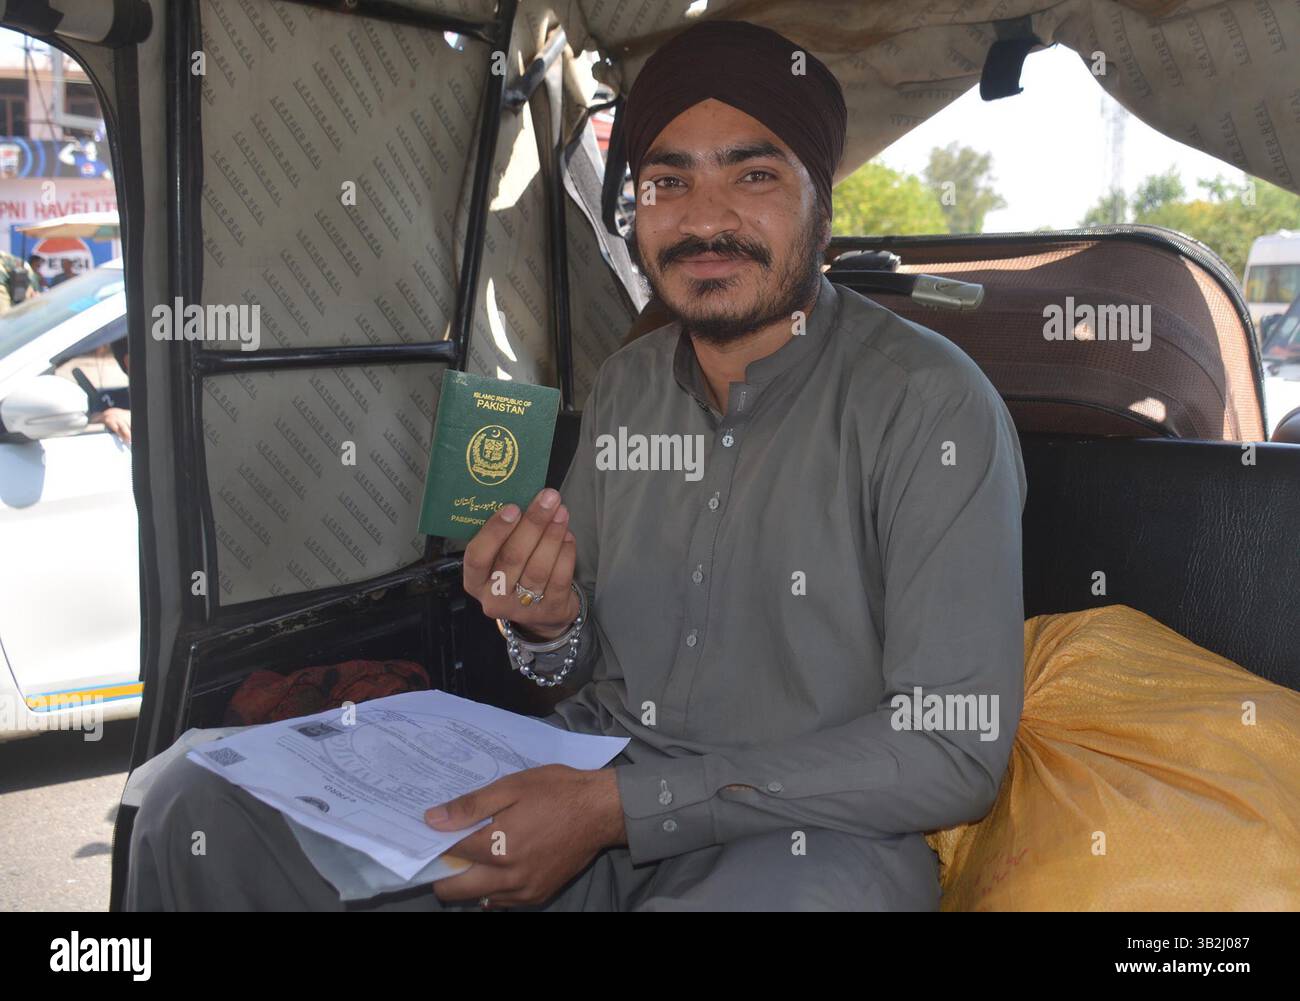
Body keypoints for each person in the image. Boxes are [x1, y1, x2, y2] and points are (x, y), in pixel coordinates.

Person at [125, 19, 1026, 912]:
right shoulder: (630, 383)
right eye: (668, 181)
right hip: (575, 778)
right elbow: (574, 666)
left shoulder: (930, 404)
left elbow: (951, 751)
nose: (706, 219)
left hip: (798, 837)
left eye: (754, 175)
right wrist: (544, 625)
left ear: (821, 201)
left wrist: (617, 809)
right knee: (199, 803)